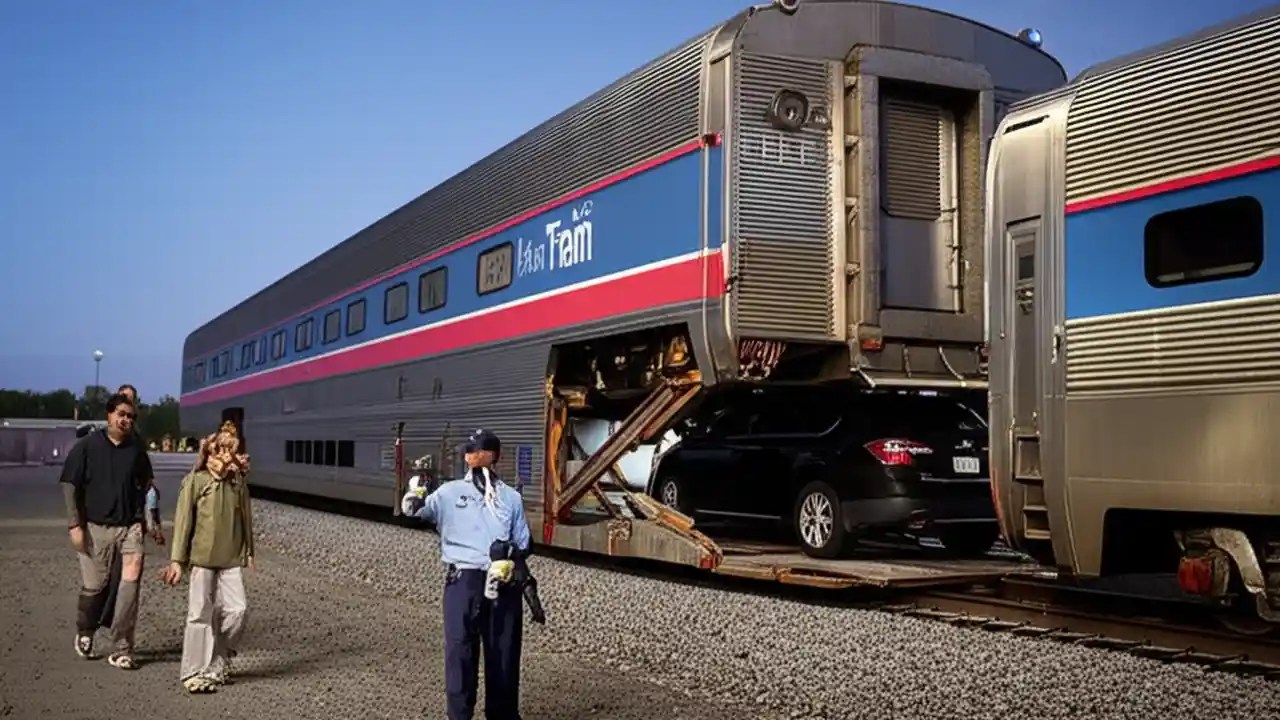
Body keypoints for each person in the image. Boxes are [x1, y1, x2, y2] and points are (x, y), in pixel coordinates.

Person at [402, 428, 532, 720]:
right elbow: (413, 513)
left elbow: (524, 544)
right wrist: (414, 491)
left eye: (479, 451)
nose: (473, 456)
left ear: (494, 456)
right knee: (461, 653)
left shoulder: (510, 498)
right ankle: (459, 716)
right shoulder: (448, 493)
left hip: (502, 581)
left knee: (504, 653)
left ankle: (502, 715)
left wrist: (511, 556)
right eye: (470, 451)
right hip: (464, 581)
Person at [60, 392, 154, 669]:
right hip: (94, 528)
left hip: (129, 528)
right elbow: (69, 485)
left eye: (131, 416)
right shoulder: (87, 446)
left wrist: (149, 519)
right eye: (121, 414)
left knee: (130, 585)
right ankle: (86, 630)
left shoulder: (137, 448)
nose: (126, 420)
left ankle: (123, 647)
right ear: (109, 415)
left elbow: (148, 484)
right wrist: (75, 524)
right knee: (95, 587)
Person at [161, 420, 255, 694]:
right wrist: (178, 560)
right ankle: (194, 671)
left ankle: (218, 657)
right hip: (202, 558)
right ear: (207, 455)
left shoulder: (237, 483)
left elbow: (246, 517)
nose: (224, 457)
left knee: (238, 610)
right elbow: (183, 522)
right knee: (199, 613)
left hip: (230, 559)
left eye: (228, 451)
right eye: (218, 452)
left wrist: (249, 550)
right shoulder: (195, 482)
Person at [98, 384, 164, 633]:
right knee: (103, 577)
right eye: (123, 400)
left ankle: (119, 632)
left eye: (131, 402)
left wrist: (153, 522)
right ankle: (99, 619)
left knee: (126, 575)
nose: (127, 406)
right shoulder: (100, 441)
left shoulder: (137, 444)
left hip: (131, 518)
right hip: (104, 519)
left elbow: (149, 485)